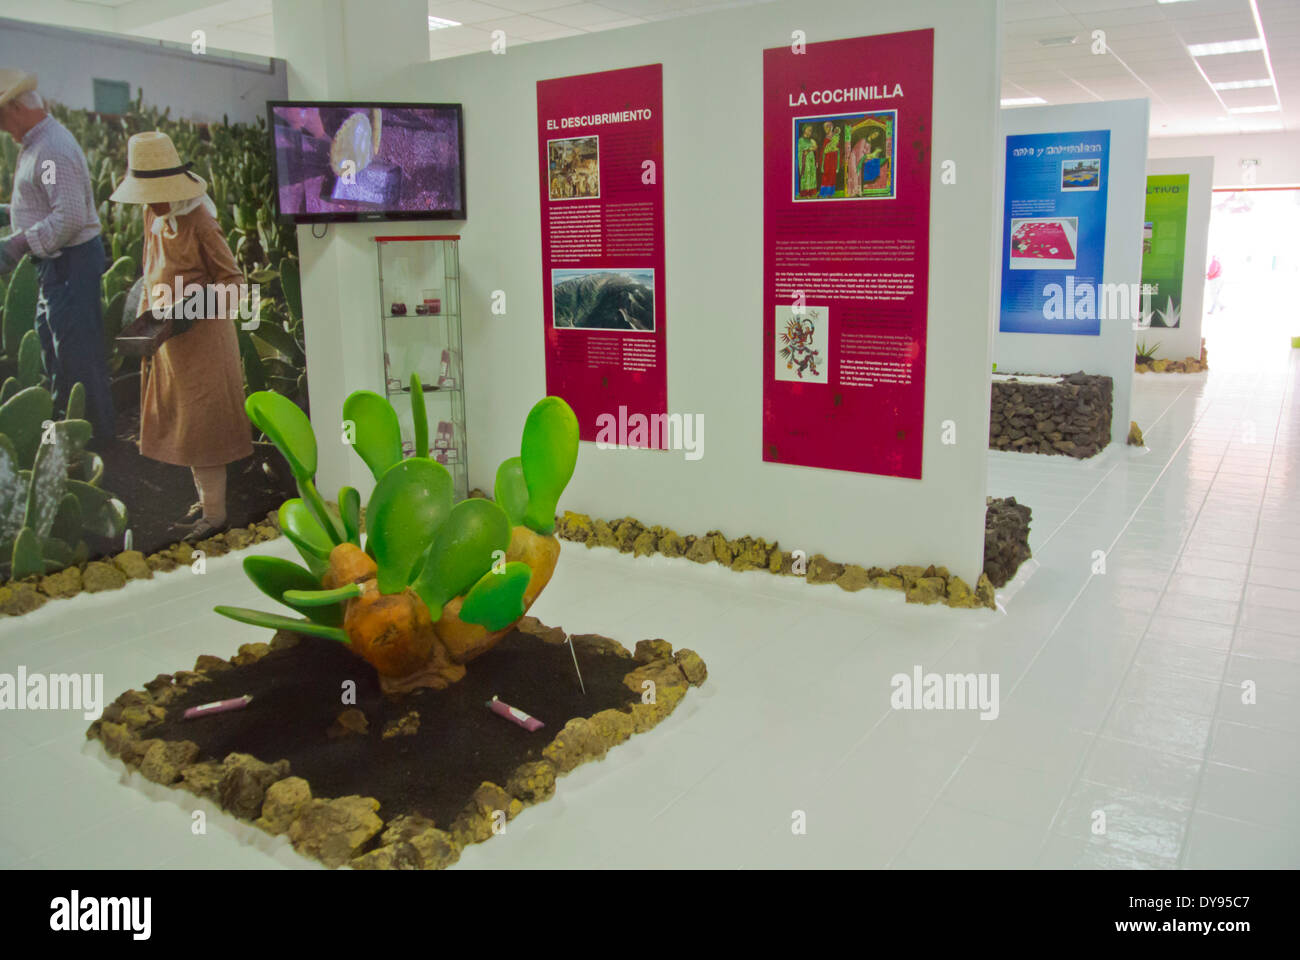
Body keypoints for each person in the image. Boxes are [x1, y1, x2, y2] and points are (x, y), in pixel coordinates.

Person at [110, 131, 253, 539]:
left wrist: (188, 308)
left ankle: (215, 517)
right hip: (169, 340)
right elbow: (149, 267)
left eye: (155, 192)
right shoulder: (153, 215)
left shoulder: (201, 222)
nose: (149, 201)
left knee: (205, 427)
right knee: (186, 426)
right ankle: (206, 504)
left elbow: (234, 284)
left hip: (203, 341)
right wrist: (146, 320)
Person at [0, 68, 115, 441]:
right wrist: (9, 212)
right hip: (56, 263)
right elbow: (45, 200)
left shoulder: (51, 149)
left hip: (70, 263)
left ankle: (94, 440)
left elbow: (68, 217)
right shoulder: (36, 143)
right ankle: (70, 433)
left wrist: (17, 244)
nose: (2, 128)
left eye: (1, 116)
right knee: (55, 349)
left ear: (16, 107)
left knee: (76, 354)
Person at [819, 120, 841, 198]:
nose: (826, 129)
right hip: (826, 160)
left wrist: (838, 165)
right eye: (824, 127)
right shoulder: (825, 138)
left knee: (832, 176)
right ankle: (823, 192)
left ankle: (830, 193)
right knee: (825, 176)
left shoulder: (835, 137)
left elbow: (838, 150)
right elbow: (823, 150)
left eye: (827, 127)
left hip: (833, 160)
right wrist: (821, 161)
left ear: (831, 127)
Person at [797, 124, 819, 198]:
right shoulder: (800, 140)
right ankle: (806, 193)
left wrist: (814, 148)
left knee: (812, 175)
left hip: (811, 160)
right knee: (806, 175)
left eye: (811, 131)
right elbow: (800, 151)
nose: (810, 132)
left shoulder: (811, 140)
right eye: (809, 130)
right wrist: (809, 149)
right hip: (805, 161)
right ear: (804, 130)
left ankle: (811, 192)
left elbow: (815, 148)